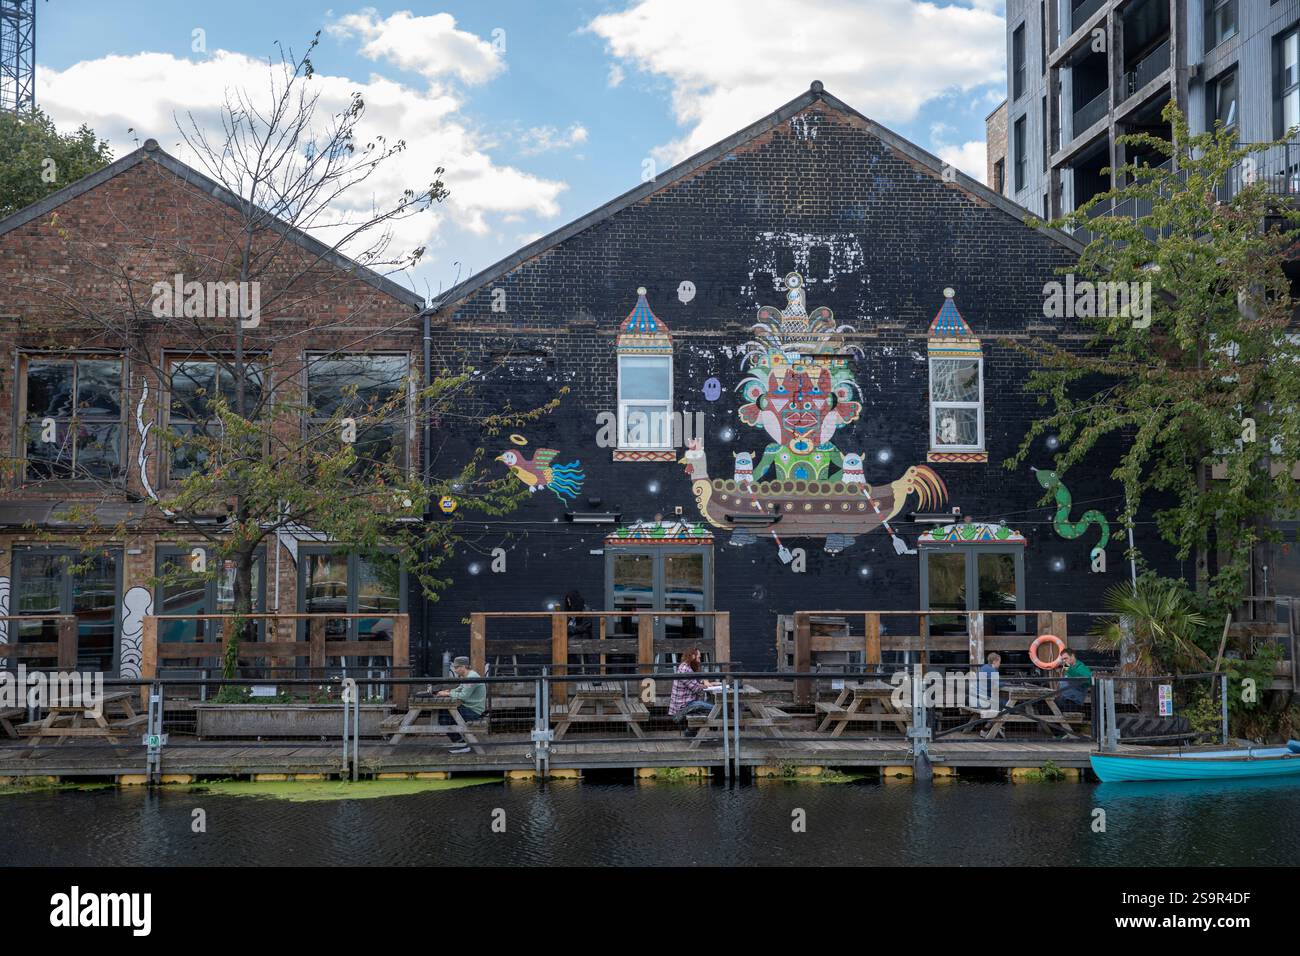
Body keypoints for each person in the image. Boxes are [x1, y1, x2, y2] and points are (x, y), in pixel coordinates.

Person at [437, 656, 486, 753]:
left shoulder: (472, 677)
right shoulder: (468, 676)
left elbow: (463, 696)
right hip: (470, 708)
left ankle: (461, 744)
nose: (455, 670)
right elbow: (459, 689)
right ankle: (460, 743)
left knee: (444, 718)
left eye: (456, 667)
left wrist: (447, 694)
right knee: (443, 715)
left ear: (463, 666)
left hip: (473, 711)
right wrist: (450, 691)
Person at [669, 647, 720, 736]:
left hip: (688, 703)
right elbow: (696, 688)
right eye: (699, 657)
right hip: (683, 706)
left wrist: (708, 683)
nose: (700, 660)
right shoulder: (685, 669)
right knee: (716, 709)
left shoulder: (687, 667)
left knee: (713, 707)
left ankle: (692, 731)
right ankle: (691, 731)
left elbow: (695, 682)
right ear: (693, 656)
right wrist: (707, 685)